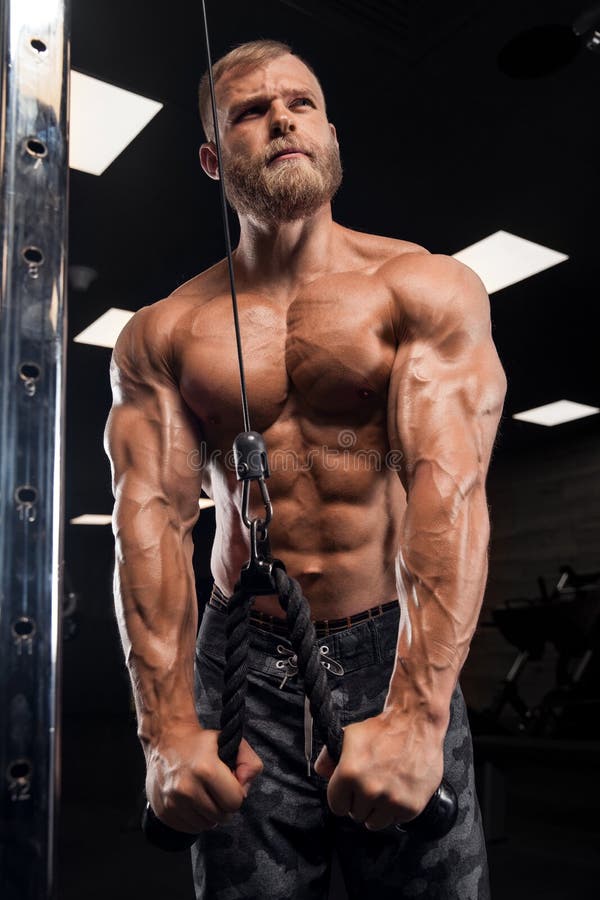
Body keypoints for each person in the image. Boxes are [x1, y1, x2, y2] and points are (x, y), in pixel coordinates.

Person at [104, 39, 506, 899]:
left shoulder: (423, 288)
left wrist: (417, 713)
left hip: (389, 641)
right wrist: (165, 726)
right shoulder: (163, 332)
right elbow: (148, 519)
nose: (281, 116)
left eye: (301, 103)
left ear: (330, 134)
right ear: (214, 159)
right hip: (243, 650)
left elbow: (450, 485)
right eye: (251, 111)